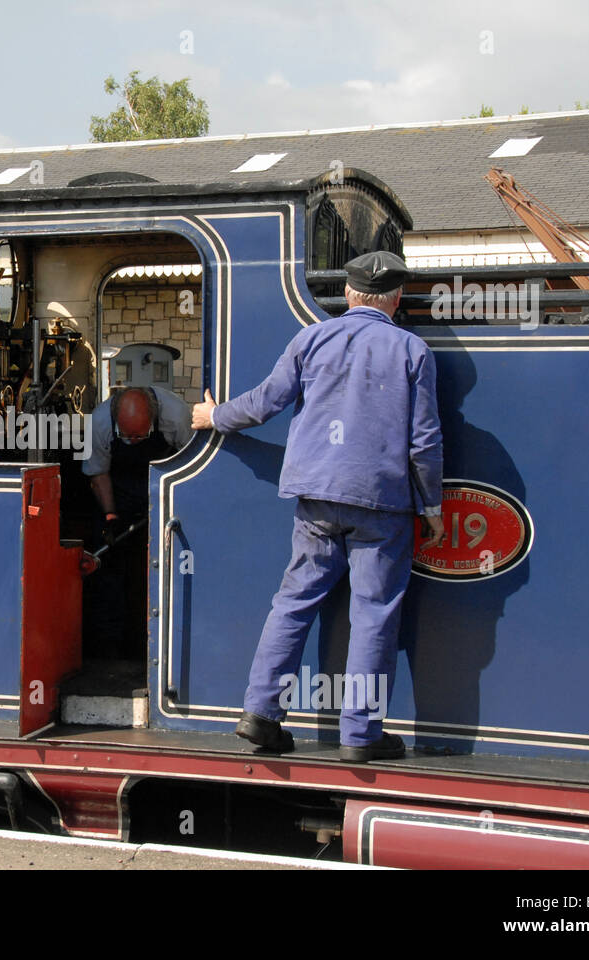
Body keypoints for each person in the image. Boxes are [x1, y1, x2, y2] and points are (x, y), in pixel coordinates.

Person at [191, 251, 444, 762]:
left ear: (349, 294)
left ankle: (261, 714)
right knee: (373, 614)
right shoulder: (413, 350)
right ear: (396, 299)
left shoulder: (311, 338)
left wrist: (214, 414)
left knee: (293, 601)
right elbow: (424, 441)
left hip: (315, 498)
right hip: (382, 504)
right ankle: (359, 735)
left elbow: (263, 403)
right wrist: (431, 507)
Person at [83, 386, 193, 658]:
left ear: (153, 421)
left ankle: (153, 645)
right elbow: (97, 474)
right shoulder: (97, 423)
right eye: (126, 436)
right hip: (115, 492)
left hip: (162, 491)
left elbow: (192, 467)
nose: (132, 442)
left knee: (154, 571)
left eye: (139, 436)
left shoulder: (177, 416)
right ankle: (109, 651)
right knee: (109, 572)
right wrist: (111, 516)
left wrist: (169, 505)